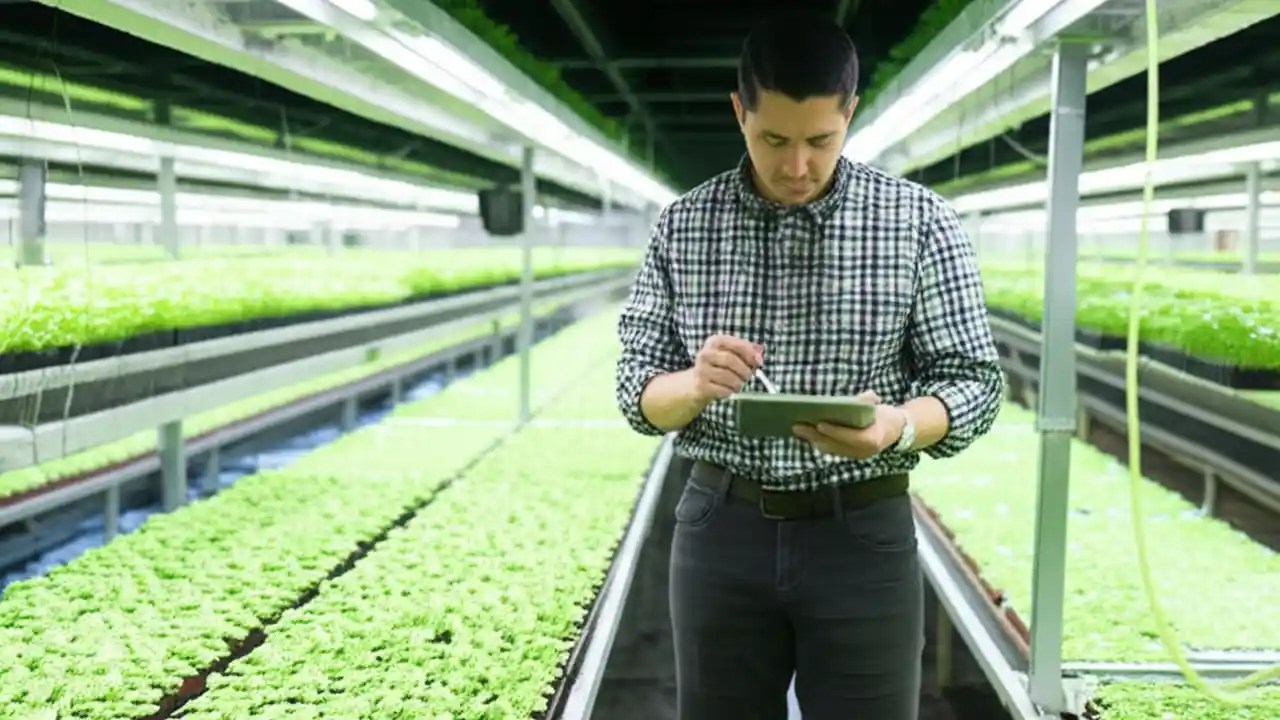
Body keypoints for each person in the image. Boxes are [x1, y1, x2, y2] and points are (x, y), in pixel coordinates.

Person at [613, 9, 1006, 720]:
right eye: (774, 139)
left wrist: (895, 428)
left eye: (820, 140)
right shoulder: (685, 225)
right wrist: (695, 384)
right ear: (740, 113)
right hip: (720, 529)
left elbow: (973, 382)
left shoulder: (918, 222)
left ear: (849, 114)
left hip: (862, 531)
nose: (797, 166)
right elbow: (636, 390)